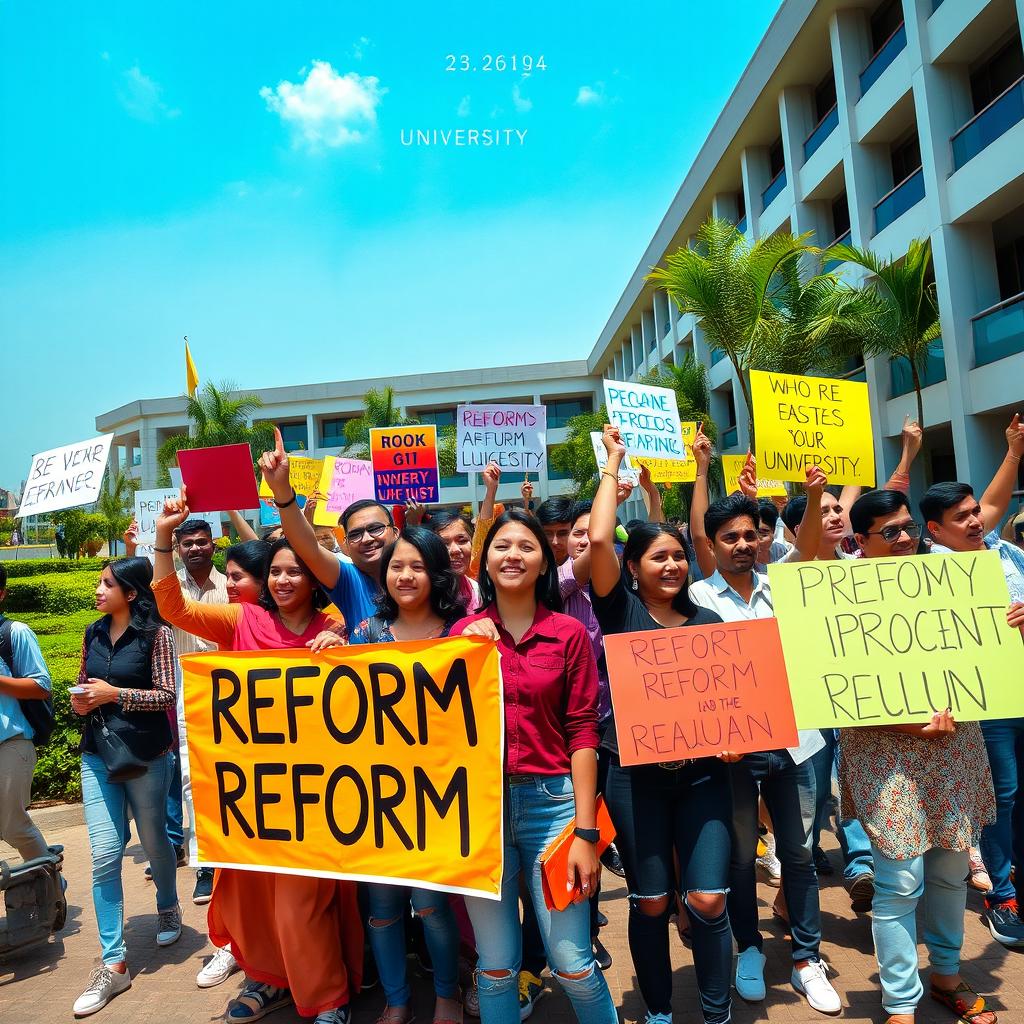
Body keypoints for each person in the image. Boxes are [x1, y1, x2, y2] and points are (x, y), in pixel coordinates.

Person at [151, 491, 362, 1024]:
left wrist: (342, 649)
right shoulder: (241, 622)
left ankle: (326, 997)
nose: (284, 581)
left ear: (316, 579)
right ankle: (269, 981)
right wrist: (161, 539)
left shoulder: (334, 631)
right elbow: (173, 608)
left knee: (299, 904)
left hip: (315, 794)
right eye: (276, 573)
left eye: (296, 572)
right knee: (252, 899)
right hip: (251, 793)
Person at [588, 424, 732, 1024]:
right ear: (632, 565)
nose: (672, 564)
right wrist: (613, 465)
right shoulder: (618, 610)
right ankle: (656, 1010)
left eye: (678, 555)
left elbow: (733, 705)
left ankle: (716, 1008)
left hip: (703, 778)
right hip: (632, 778)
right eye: (658, 556)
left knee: (706, 897)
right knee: (649, 903)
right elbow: (596, 539)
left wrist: (734, 741)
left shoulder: (707, 622)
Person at [451, 508, 617, 1024]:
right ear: (486, 560)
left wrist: (586, 835)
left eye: (526, 546)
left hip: (555, 808)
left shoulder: (568, 633)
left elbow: (583, 733)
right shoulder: (461, 634)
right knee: (496, 967)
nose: (513, 555)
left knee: (572, 963)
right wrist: (461, 651)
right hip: (481, 814)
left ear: (545, 561)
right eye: (502, 546)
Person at [845, 488, 998, 1024]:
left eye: (908, 526)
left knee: (951, 873)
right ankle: (900, 1003)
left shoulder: (955, 574)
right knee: (899, 882)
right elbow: (835, 682)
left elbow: (991, 657)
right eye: (890, 532)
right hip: (885, 756)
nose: (906, 537)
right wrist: (906, 722)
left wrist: (1013, 628)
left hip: (953, 748)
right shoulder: (838, 592)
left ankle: (947, 975)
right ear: (859, 541)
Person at [689, 483, 841, 1016]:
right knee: (738, 856)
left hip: (796, 743)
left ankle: (806, 959)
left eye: (751, 534)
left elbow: (812, 549)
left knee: (799, 852)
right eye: (729, 537)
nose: (742, 544)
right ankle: (749, 947)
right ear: (710, 544)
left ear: (762, 539)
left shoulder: (786, 586)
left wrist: (817, 494)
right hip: (731, 753)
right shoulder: (696, 601)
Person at [350, 526, 466, 1024]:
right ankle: (397, 1000)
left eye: (418, 566)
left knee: (431, 907)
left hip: (437, 794)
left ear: (436, 573)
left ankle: (446, 993)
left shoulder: (464, 631)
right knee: (381, 909)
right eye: (397, 566)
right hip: (377, 794)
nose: (405, 575)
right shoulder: (365, 634)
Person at [918, 414, 1024, 948]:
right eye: (961, 517)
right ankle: (1001, 897)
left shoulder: (1012, 556)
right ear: (935, 532)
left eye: (975, 512)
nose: (976, 521)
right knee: (1001, 796)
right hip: (986, 702)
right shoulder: (932, 572)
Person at [70, 558, 181, 1017]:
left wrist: (115, 694)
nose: (98, 590)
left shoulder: (157, 635)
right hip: (97, 754)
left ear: (131, 592)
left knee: (156, 843)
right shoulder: (92, 632)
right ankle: (113, 964)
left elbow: (168, 695)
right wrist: (82, 700)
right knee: (104, 853)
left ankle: (168, 905)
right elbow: (81, 682)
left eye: (106, 583)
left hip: (147, 756)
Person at [260, 427, 395, 626]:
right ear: (346, 544)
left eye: (375, 529)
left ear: (396, 532)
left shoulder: (427, 574)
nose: (367, 538)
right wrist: (281, 490)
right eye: (355, 534)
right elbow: (308, 548)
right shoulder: (349, 582)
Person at [0, 563, 54, 862]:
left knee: (13, 827)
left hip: (11, 742)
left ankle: (51, 889)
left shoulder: (14, 633)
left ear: (2, 594)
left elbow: (41, 686)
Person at [426, 509, 482, 612]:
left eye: (462, 541)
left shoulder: (479, 592)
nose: (455, 550)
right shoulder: (423, 596)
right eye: (444, 543)